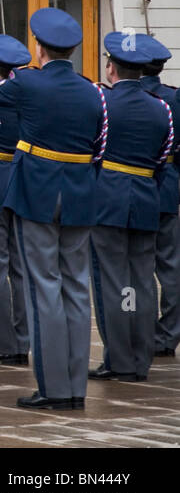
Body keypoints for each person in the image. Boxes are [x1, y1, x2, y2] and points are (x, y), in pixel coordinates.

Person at [0, 7, 106, 411]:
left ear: (39, 47)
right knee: (76, 289)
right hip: (81, 194)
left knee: (44, 286)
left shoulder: (28, 84)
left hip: (38, 194)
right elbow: (99, 147)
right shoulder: (92, 91)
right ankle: (76, 387)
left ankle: (54, 387)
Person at [88, 32, 172, 383]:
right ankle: (142, 356)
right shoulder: (161, 108)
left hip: (108, 197)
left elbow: (93, 150)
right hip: (145, 198)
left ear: (112, 68)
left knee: (114, 283)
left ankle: (120, 358)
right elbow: (162, 160)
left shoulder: (103, 104)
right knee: (140, 282)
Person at [0, 34, 32, 367]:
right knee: (22, 267)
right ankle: (23, 338)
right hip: (26, 179)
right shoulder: (32, 95)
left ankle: (3, 342)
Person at [137, 35, 180, 358]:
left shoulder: (127, 99)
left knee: (138, 268)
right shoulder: (174, 100)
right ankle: (168, 335)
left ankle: (143, 331)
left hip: (132, 188)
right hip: (167, 186)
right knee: (170, 267)